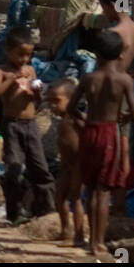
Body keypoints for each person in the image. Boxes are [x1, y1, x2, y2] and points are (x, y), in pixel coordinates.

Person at [70, 31, 134, 259]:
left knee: (90, 189)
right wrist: (127, 118)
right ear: (121, 55)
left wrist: (84, 121)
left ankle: (90, 243)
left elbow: (72, 108)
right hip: (111, 134)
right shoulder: (124, 80)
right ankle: (99, 243)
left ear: (96, 54)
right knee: (104, 192)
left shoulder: (88, 79)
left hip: (90, 132)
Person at [0, 25, 55, 224]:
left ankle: (45, 210)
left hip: (31, 124)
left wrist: (36, 93)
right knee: (14, 169)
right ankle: (14, 212)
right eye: (20, 55)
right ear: (8, 50)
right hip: (12, 125)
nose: (24, 60)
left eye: (28, 55)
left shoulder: (30, 70)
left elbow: (36, 99)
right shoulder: (1, 71)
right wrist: (11, 80)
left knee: (40, 167)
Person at [48, 80, 85, 247]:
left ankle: (78, 236)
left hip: (78, 164)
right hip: (66, 165)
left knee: (75, 198)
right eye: (50, 101)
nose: (52, 105)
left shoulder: (75, 118)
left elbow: (87, 131)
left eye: (57, 101)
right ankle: (65, 230)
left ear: (71, 100)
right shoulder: (63, 119)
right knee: (59, 197)